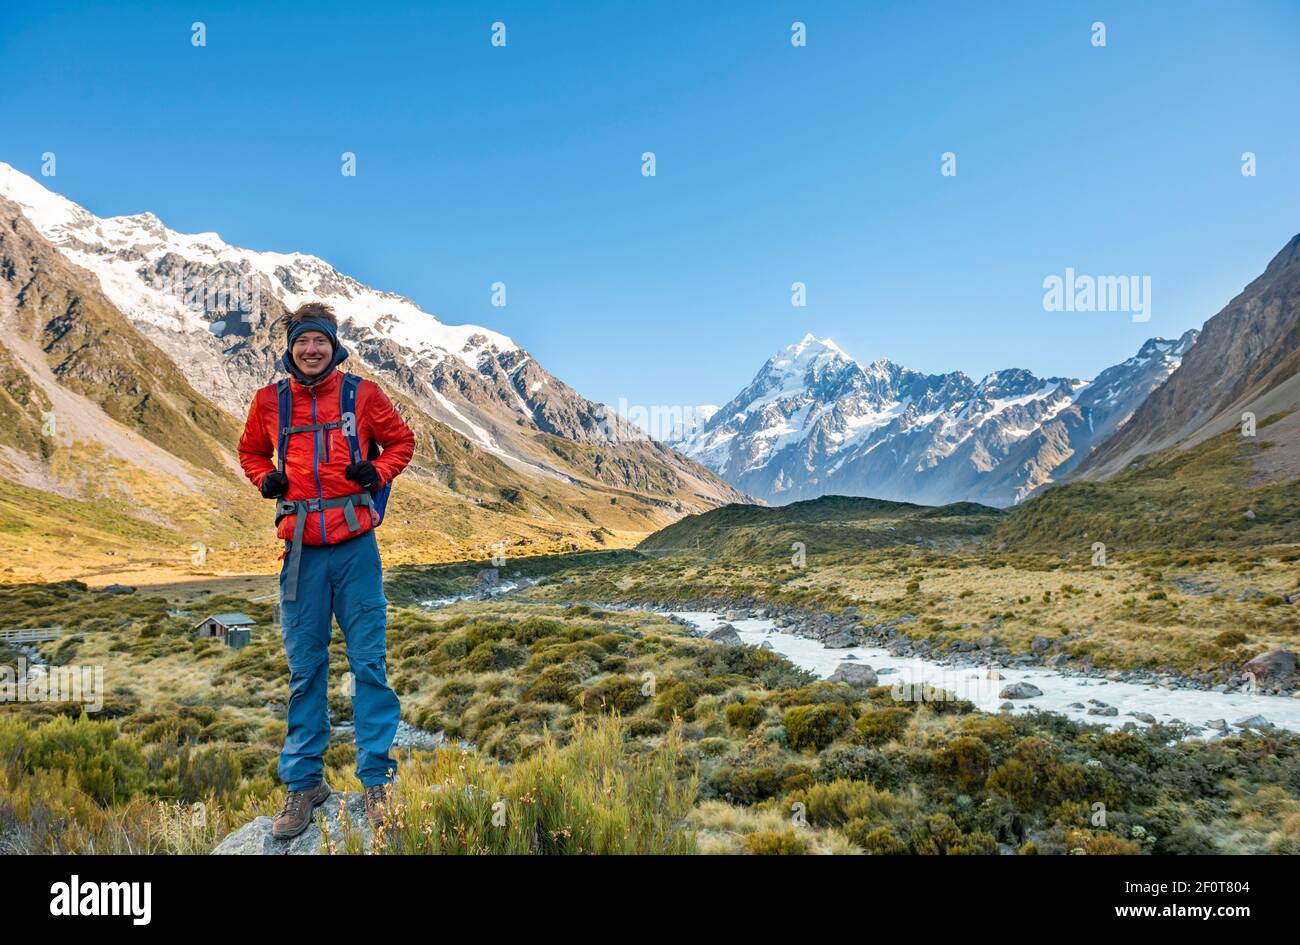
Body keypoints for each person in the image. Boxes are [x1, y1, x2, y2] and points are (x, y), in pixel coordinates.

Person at [237, 301, 416, 839]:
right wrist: (263, 478)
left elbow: (402, 442)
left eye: (319, 341)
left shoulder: (363, 395)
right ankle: (304, 786)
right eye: (301, 342)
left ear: (334, 346)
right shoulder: (270, 402)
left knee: (369, 665)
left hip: (356, 548)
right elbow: (249, 452)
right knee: (305, 670)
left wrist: (377, 468)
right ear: (290, 347)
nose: (310, 350)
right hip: (300, 554)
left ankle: (377, 782)